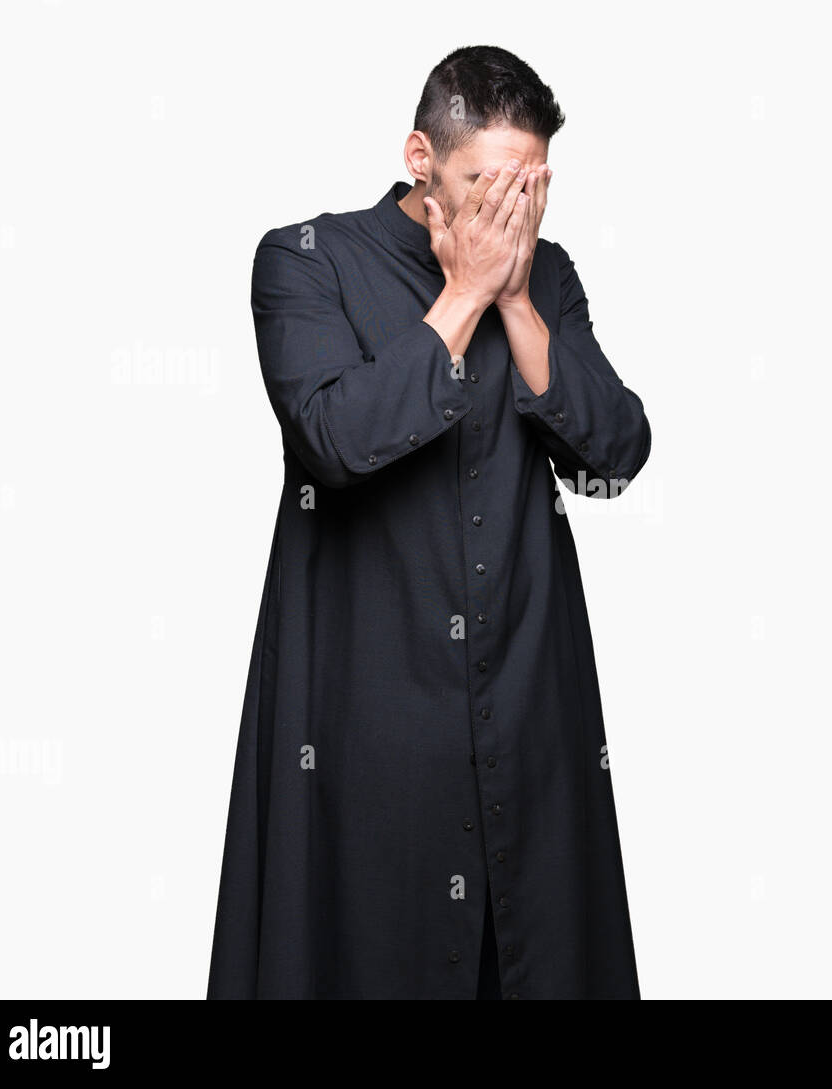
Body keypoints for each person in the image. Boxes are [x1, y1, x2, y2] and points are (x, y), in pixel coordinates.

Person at [207, 45, 650, 1000]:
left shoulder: (550, 277)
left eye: (531, 191)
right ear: (421, 156)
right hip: (365, 720)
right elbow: (333, 437)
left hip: (529, 712)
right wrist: (462, 297)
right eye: (488, 188)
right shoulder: (303, 260)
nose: (510, 218)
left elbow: (614, 456)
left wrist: (519, 301)